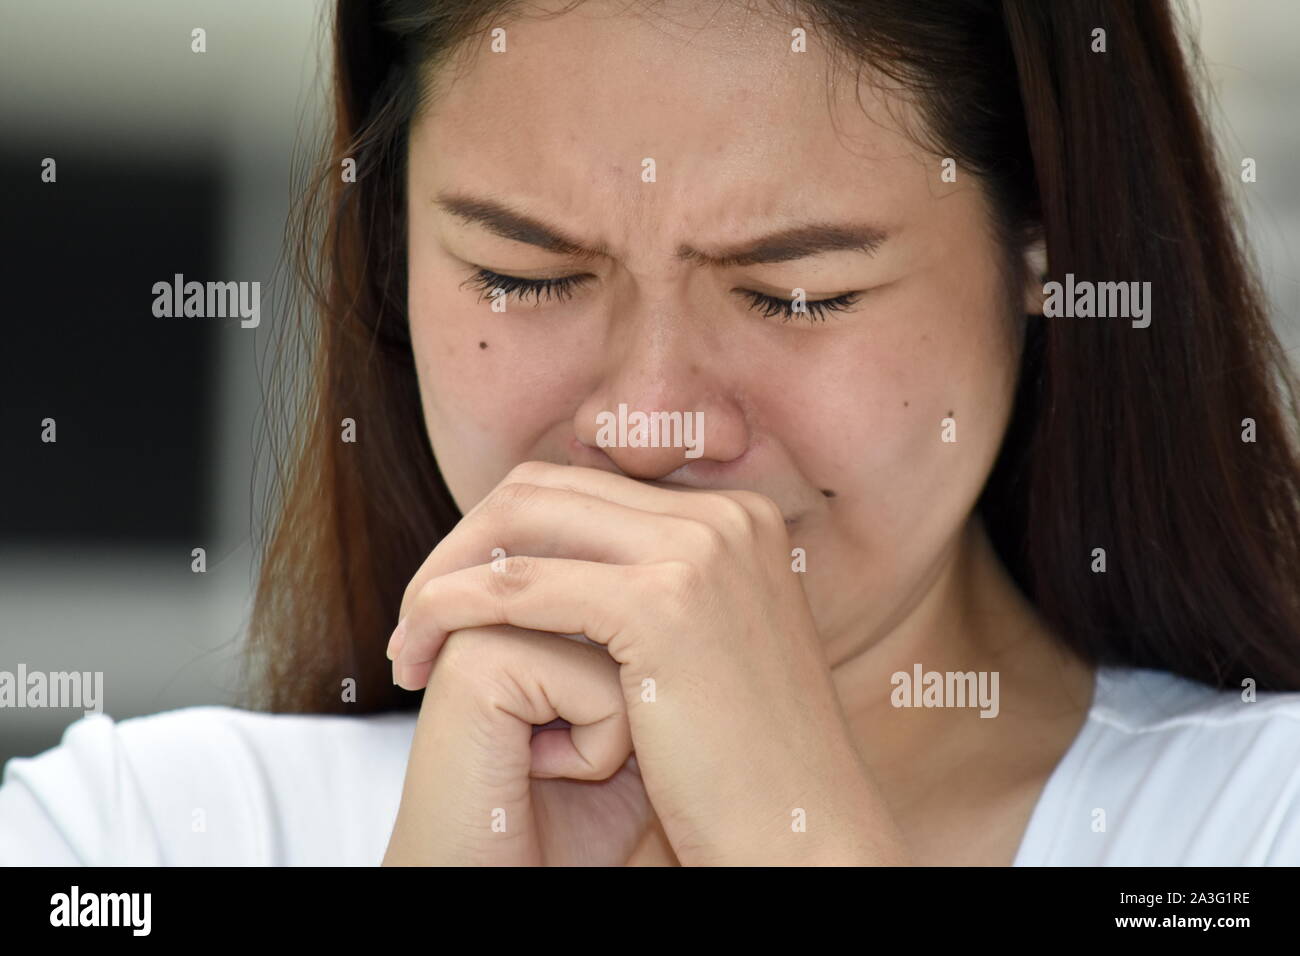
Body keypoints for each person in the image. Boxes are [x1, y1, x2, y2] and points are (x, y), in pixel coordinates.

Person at [3, 0, 1299, 866]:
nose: (645, 423)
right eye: (524, 274)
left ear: (1048, 249)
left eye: (795, 295)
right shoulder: (136, 832)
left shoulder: (1250, 825)